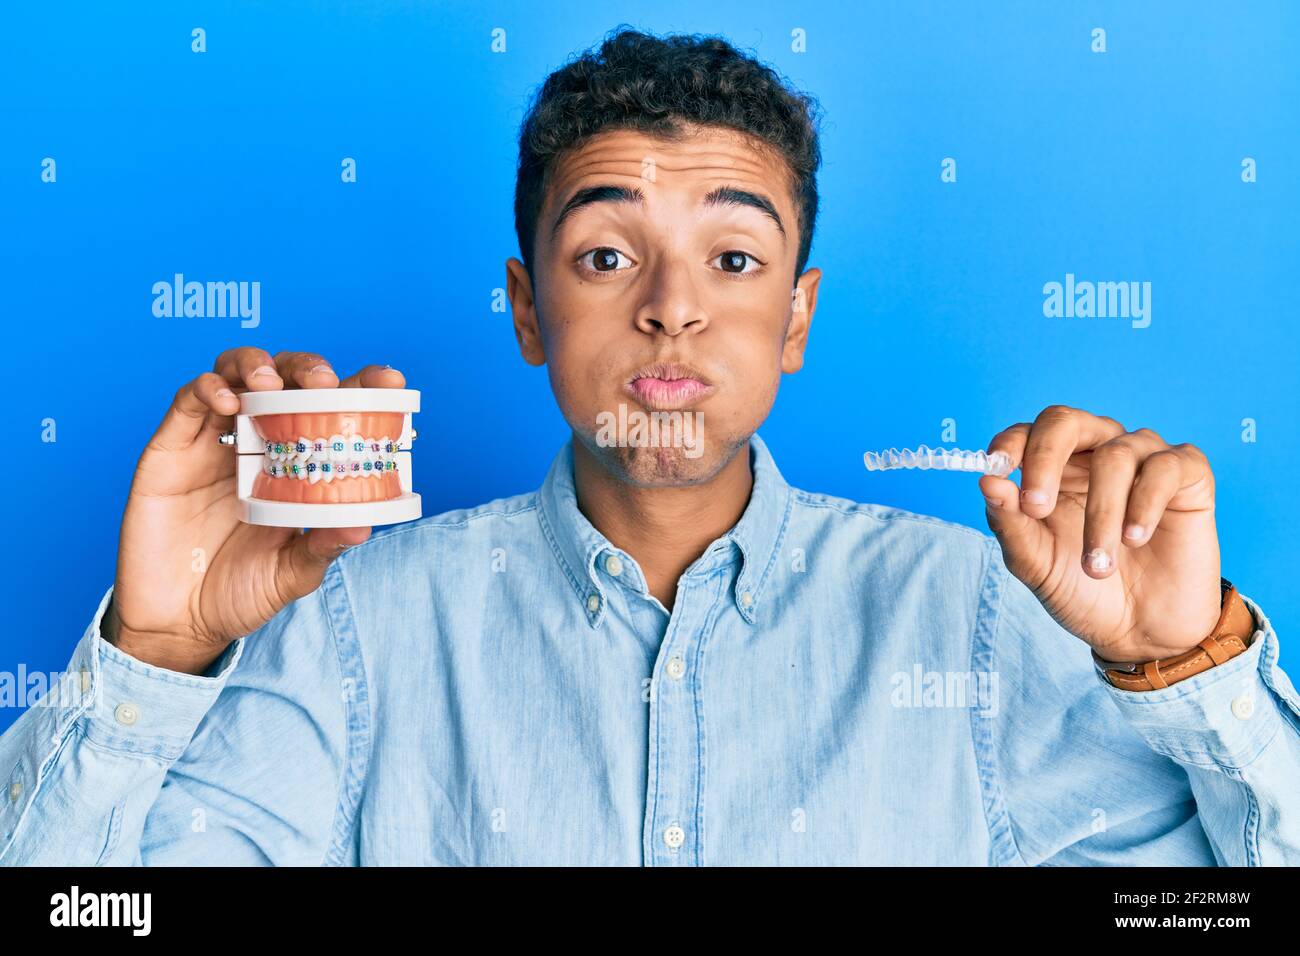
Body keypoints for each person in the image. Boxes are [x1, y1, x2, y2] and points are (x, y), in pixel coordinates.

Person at [2, 26, 1297, 866]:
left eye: (732, 259)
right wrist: (156, 657)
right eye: (607, 255)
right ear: (524, 310)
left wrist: (1192, 665)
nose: (672, 305)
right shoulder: (359, 628)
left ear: (796, 315)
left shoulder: (972, 616)